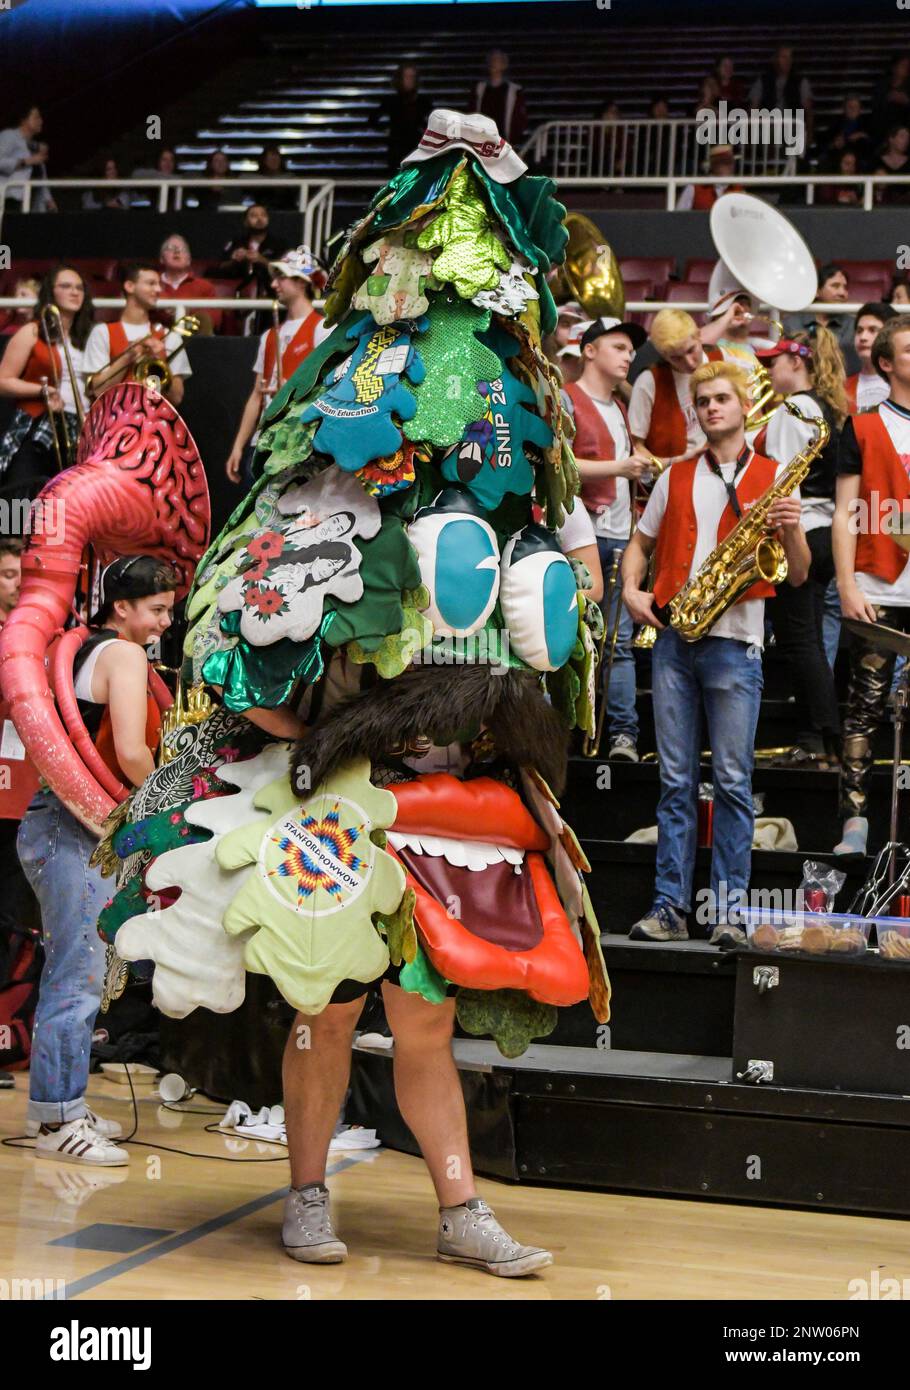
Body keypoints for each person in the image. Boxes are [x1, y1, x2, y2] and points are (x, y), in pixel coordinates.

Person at [622, 362, 809, 945]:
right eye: (702, 401)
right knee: (675, 782)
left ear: (743, 406)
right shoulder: (677, 475)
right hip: (677, 640)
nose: (711, 408)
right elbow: (640, 543)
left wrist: (795, 528)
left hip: (737, 644)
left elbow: (798, 575)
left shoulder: (777, 477)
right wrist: (630, 588)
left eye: (722, 398)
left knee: (732, 781)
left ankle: (730, 912)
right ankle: (669, 908)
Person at [16, 556, 179, 1164]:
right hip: (72, 827)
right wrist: (176, 800)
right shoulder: (126, 657)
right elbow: (134, 753)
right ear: (122, 608)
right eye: (157, 610)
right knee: (78, 976)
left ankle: (59, 1106)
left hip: (62, 826)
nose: (165, 622)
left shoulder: (88, 653)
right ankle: (59, 1121)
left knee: (76, 971)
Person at [833, 316, 910, 857]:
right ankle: (854, 821)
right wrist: (845, 585)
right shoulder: (860, 426)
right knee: (865, 706)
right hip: (876, 582)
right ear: (886, 363)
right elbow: (843, 514)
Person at [562, 316, 653, 763]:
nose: (629, 355)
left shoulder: (620, 406)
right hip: (583, 536)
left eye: (630, 349)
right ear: (589, 350)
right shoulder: (568, 397)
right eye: (618, 346)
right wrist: (620, 468)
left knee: (617, 643)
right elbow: (556, 464)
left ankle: (621, 735)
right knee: (570, 636)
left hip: (620, 536)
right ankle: (568, 729)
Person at [755, 329, 847, 768]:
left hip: (803, 532)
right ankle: (824, 738)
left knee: (800, 640)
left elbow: (781, 481)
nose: (766, 370)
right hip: (828, 530)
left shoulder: (793, 410)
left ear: (797, 363)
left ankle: (818, 737)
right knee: (808, 637)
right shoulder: (825, 407)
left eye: (773, 362)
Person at [225, 246, 329, 485]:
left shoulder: (321, 329)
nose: (274, 285)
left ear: (301, 282)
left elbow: (326, 389)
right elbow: (256, 395)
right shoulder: (269, 336)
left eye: (281, 277)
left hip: (298, 439)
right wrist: (239, 446)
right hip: (263, 441)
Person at [0, 264, 93, 522]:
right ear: (51, 293)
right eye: (65, 286)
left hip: (77, 430)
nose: (74, 292)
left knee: (64, 508)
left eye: (78, 287)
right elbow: (2, 380)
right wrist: (42, 390)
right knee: (22, 501)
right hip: (39, 425)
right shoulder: (32, 331)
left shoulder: (88, 337)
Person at [82, 261, 191, 409]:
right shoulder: (102, 332)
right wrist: (128, 356)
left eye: (159, 284)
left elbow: (177, 397)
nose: (158, 289)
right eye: (151, 283)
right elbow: (98, 390)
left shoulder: (169, 336)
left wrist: (160, 360)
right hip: (113, 421)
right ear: (130, 286)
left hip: (153, 423)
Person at [628, 308, 712, 468]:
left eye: (691, 350)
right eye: (676, 358)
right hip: (674, 475)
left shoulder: (723, 362)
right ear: (664, 356)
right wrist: (676, 463)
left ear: (699, 335)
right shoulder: (649, 381)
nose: (689, 363)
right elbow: (636, 447)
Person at [213, 204, 289, 303]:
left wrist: (262, 260)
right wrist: (234, 260)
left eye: (263, 215)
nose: (259, 219)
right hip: (239, 293)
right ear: (245, 222)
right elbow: (220, 267)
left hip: (270, 294)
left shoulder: (279, 244)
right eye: (254, 216)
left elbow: (286, 269)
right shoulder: (237, 242)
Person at [749, 44, 814, 148]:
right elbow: (753, 108)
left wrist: (809, 134)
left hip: (792, 127)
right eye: (783, 57)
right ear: (775, 59)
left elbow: (809, 110)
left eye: (789, 57)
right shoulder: (763, 81)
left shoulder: (800, 82)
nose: (787, 61)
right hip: (769, 126)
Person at [783, 264, 854, 359]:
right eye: (835, 286)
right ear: (816, 291)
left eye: (845, 288)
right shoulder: (791, 324)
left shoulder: (853, 325)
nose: (842, 293)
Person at [158, 234, 220, 333]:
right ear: (161, 258)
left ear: (189, 260)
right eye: (170, 248)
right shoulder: (150, 284)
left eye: (182, 249)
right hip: (155, 337)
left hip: (192, 340)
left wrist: (183, 314)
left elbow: (213, 320)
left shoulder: (204, 286)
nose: (177, 251)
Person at [468, 49, 528, 148]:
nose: (493, 63)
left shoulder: (514, 90)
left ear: (504, 65)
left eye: (497, 60)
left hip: (504, 138)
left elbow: (519, 117)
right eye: (492, 60)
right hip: (483, 139)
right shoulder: (479, 89)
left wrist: (514, 137)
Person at [0, 106, 55, 213]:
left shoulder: (33, 146)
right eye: (36, 117)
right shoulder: (9, 136)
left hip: (30, 204)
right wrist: (27, 161)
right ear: (24, 120)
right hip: (9, 200)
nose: (41, 121)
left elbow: (40, 176)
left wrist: (49, 200)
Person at [380, 64, 432, 173]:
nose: (409, 80)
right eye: (406, 77)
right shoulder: (391, 101)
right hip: (397, 147)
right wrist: (386, 129)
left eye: (412, 77)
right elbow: (373, 119)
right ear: (400, 79)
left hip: (416, 147)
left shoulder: (423, 101)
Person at [846, 303, 893, 414]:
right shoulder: (842, 388)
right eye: (859, 331)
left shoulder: (904, 384)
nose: (863, 337)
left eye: (872, 330)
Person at [701, 290, 761, 374]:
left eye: (747, 304)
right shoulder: (712, 348)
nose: (743, 309)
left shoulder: (757, 349)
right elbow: (698, 342)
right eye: (737, 303)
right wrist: (727, 319)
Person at [676, 144, 742, 211]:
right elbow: (679, 217)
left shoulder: (739, 190)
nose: (727, 166)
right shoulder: (694, 188)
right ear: (712, 164)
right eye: (722, 161)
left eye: (729, 162)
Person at [821, 95, 873, 170]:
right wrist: (834, 144)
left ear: (860, 109)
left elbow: (874, 143)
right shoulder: (836, 124)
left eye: (855, 106)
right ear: (844, 108)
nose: (853, 109)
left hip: (860, 159)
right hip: (839, 158)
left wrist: (862, 135)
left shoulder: (868, 124)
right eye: (850, 106)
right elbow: (826, 144)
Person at [872, 54, 910, 140]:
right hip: (884, 131)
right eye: (903, 65)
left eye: (908, 66)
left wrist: (906, 101)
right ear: (894, 67)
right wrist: (887, 99)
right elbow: (875, 109)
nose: (907, 68)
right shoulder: (882, 86)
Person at [874, 124, 910, 204]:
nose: (906, 140)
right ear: (891, 139)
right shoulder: (877, 161)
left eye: (908, 138)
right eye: (902, 136)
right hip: (883, 206)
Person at [255, 145, 297, 211]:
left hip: (286, 212)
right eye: (270, 159)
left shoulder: (290, 177)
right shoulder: (255, 178)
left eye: (276, 159)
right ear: (264, 161)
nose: (274, 162)